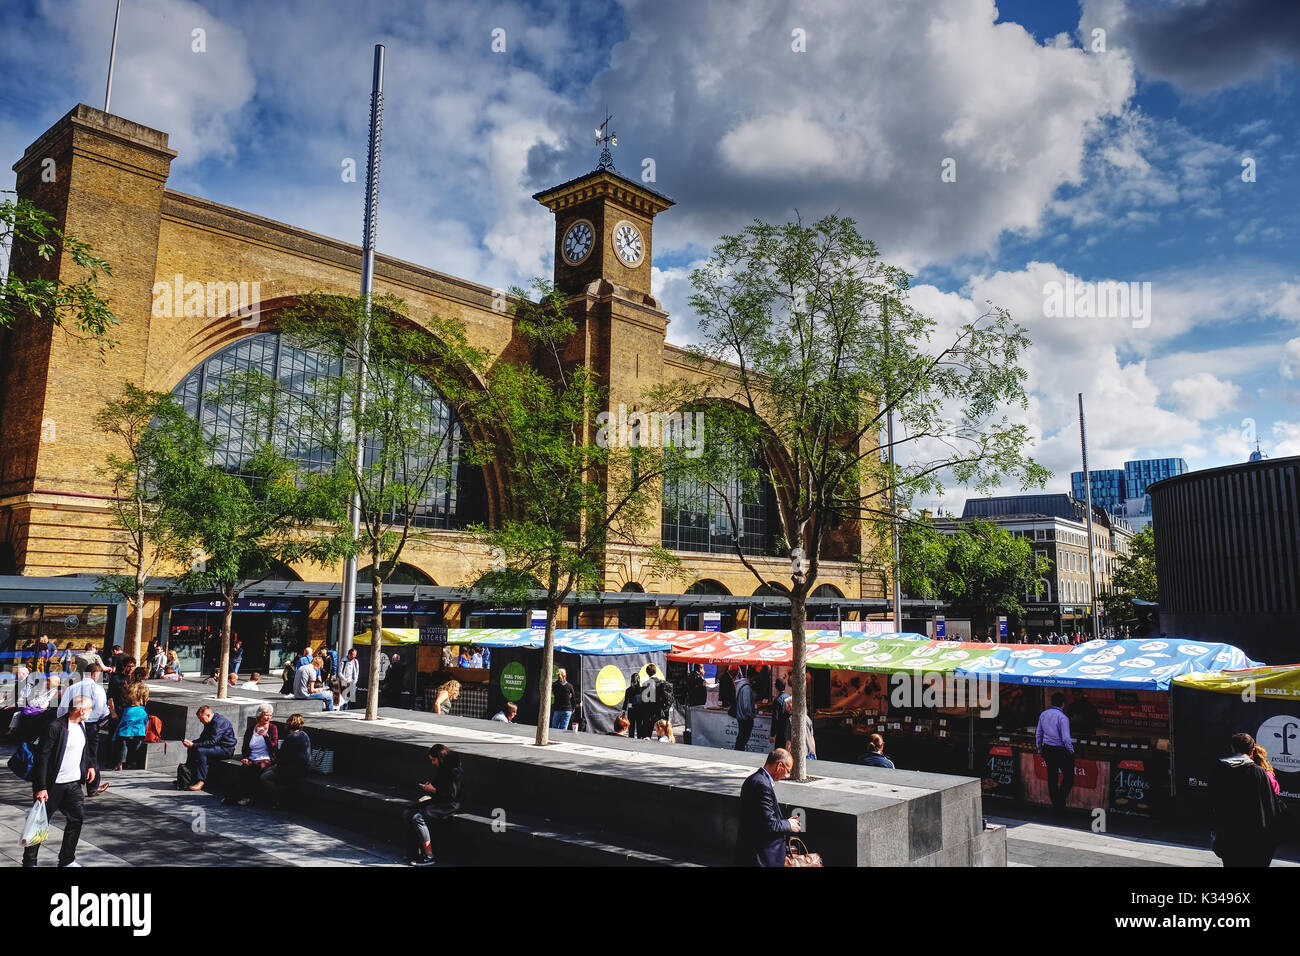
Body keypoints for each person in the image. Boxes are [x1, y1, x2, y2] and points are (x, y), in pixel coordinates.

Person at [24, 694, 98, 868]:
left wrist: (89, 765)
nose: (90, 712)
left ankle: (67, 860)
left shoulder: (82, 725)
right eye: (89, 708)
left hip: (73, 785)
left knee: (76, 820)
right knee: (40, 823)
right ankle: (29, 863)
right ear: (80, 710)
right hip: (52, 786)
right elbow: (43, 758)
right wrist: (41, 787)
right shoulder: (55, 727)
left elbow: (84, 748)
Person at [1211, 732, 1286, 867]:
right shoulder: (1259, 772)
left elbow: (1213, 802)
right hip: (1254, 838)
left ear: (1232, 748)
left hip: (1229, 835)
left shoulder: (1220, 769)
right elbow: (1270, 807)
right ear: (1252, 751)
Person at [734, 748, 801, 867]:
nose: (786, 776)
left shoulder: (755, 779)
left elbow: (760, 818)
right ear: (779, 765)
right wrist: (789, 825)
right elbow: (769, 824)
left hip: (752, 852)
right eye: (787, 771)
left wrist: (786, 821)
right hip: (760, 857)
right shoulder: (762, 785)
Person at [58, 662, 111, 796]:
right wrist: (97, 719)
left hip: (73, 722)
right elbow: (102, 709)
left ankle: (72, 781)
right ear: (95, 674)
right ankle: (92, 786)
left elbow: (62, 708)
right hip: (90, 724)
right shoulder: (98, 689)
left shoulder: (73, 688)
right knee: (92, 754)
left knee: (73, 752)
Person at [407, 744, 464, 866]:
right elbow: (438, 782)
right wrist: (430, 786)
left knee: (418, 818)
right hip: (440, 799)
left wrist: (433, 790)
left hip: (450, 804)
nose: (433, 763)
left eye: (433, 760)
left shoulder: (455, 770)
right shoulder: (443, 766)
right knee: (408, 812)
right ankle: (415, 852)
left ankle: (429, 855)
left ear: (440, 757)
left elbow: (451, 795)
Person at [223, 703, 279, 806]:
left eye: (270, 715)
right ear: (260, 715)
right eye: (266, 715)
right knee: (244, 769)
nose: (268, 717)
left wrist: (265, 736)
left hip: (266, 759)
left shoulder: (272, 728)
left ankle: (244, 797)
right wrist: (245, 758)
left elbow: (274, 746)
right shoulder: (251, 730)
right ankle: (235, 796)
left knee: (251, 769)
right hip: (252, 758)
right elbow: (245, 747)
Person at [180, 704, 236, 791]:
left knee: (201, 751)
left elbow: (213, 741)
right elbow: (203, 738)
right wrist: (192, 743)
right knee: (193, 748)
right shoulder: (209, 721)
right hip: (216, 746)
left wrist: (194, 745)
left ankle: (201, 781)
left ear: (208, 715)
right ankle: (188, 777)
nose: (200, 721)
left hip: (225, 749)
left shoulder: (219, 722)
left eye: (201, 719)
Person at [1036, 692, 1075, 813]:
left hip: (1048, 749)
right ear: (1063, 704)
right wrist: (1071, 751)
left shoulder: (1043, 714)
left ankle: (1057, 804)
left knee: (1052, 778)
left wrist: (1039, 748)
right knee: (1069, 777)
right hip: (1060, 750)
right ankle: (1060, 802)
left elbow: (1039, 733)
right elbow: (1066, 738)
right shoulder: (1063, 718)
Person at [112, 682, 150, 769]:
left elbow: (122, 722)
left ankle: (120, 763)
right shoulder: (142, 710)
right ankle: (132, 762)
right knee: (135, 747)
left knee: (123, 747)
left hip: (125, 732)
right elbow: (145, 721)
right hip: (139, 731)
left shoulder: (127, 710)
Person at [731, 665, 755, 752]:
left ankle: (738, 750)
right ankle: (738, 751)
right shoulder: (747, 687)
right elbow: (746, 704)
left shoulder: (740, 685)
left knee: (741, 736)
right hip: (745, 717)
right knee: (743, 737)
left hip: (740, 716)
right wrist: (750, 714)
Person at [769, 677, 790, 747]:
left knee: (780, 750)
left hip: (781, 730)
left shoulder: (777, 700)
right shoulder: (789, 697)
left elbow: (775, 718)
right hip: (789, 728)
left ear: (776, 687)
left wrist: (772, 734)